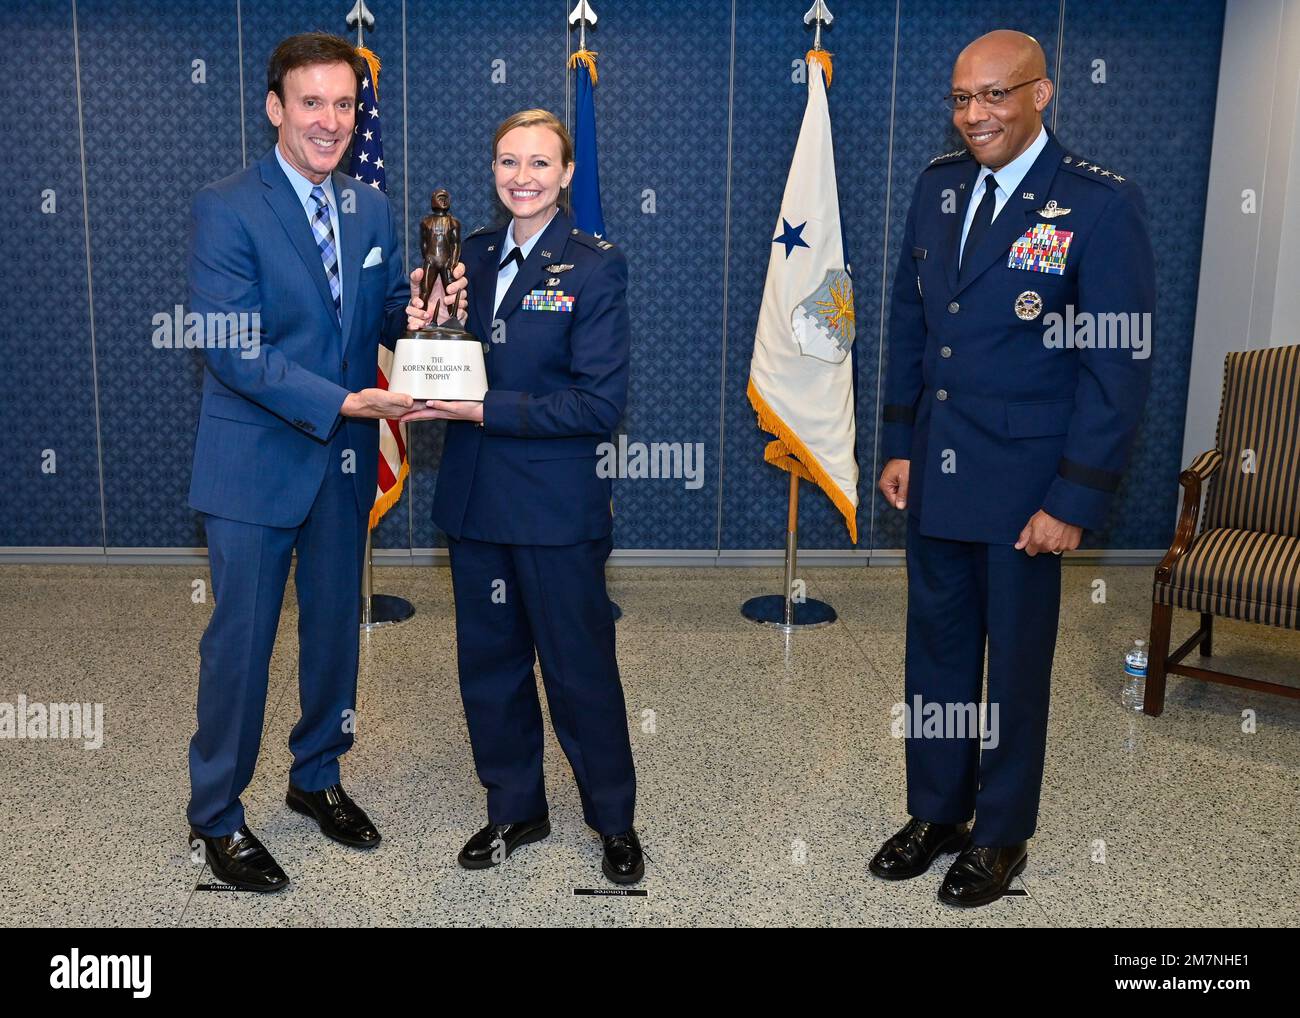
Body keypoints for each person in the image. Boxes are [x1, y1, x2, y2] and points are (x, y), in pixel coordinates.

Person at [872, 30, 1154, 907]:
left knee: (1017, 669)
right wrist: (899, 441)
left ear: (1042, 94)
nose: (975, 114)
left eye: (995, 95)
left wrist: (1076, 496)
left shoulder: (1097, 206)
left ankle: (1001, 835)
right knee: (938, 656)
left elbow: (1118, 364)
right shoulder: (937, 188)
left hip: (1030, 489)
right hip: (938, 477)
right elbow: (911, 325)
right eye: (962, 98)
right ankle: (938, 811)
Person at [185, 31, 465, 891]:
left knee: (336, 635)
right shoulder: (228, 206)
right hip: (255, 468)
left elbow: (382, 316)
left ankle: (316, 778)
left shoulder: (373, 210)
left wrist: (422, 320)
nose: (330, 121)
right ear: (276, 108)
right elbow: (232, 349)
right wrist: (343, 401)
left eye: (344, 105)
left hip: (343, 466)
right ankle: (217, 817)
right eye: (312, 103)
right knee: (241, 645)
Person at [403, 109, 642, 884]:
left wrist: (483, 411)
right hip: (475, 504)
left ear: (567, 173)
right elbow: (433, 343)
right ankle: (515, 806)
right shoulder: (465, 254)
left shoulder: (596, 266)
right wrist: (418, 317)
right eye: (509, 162)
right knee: (491, 668)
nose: (524, 178)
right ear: (494, 170)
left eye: (541, 163)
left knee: (579, 671)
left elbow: (598, 406)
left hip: (554, 509)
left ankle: (612, 819)